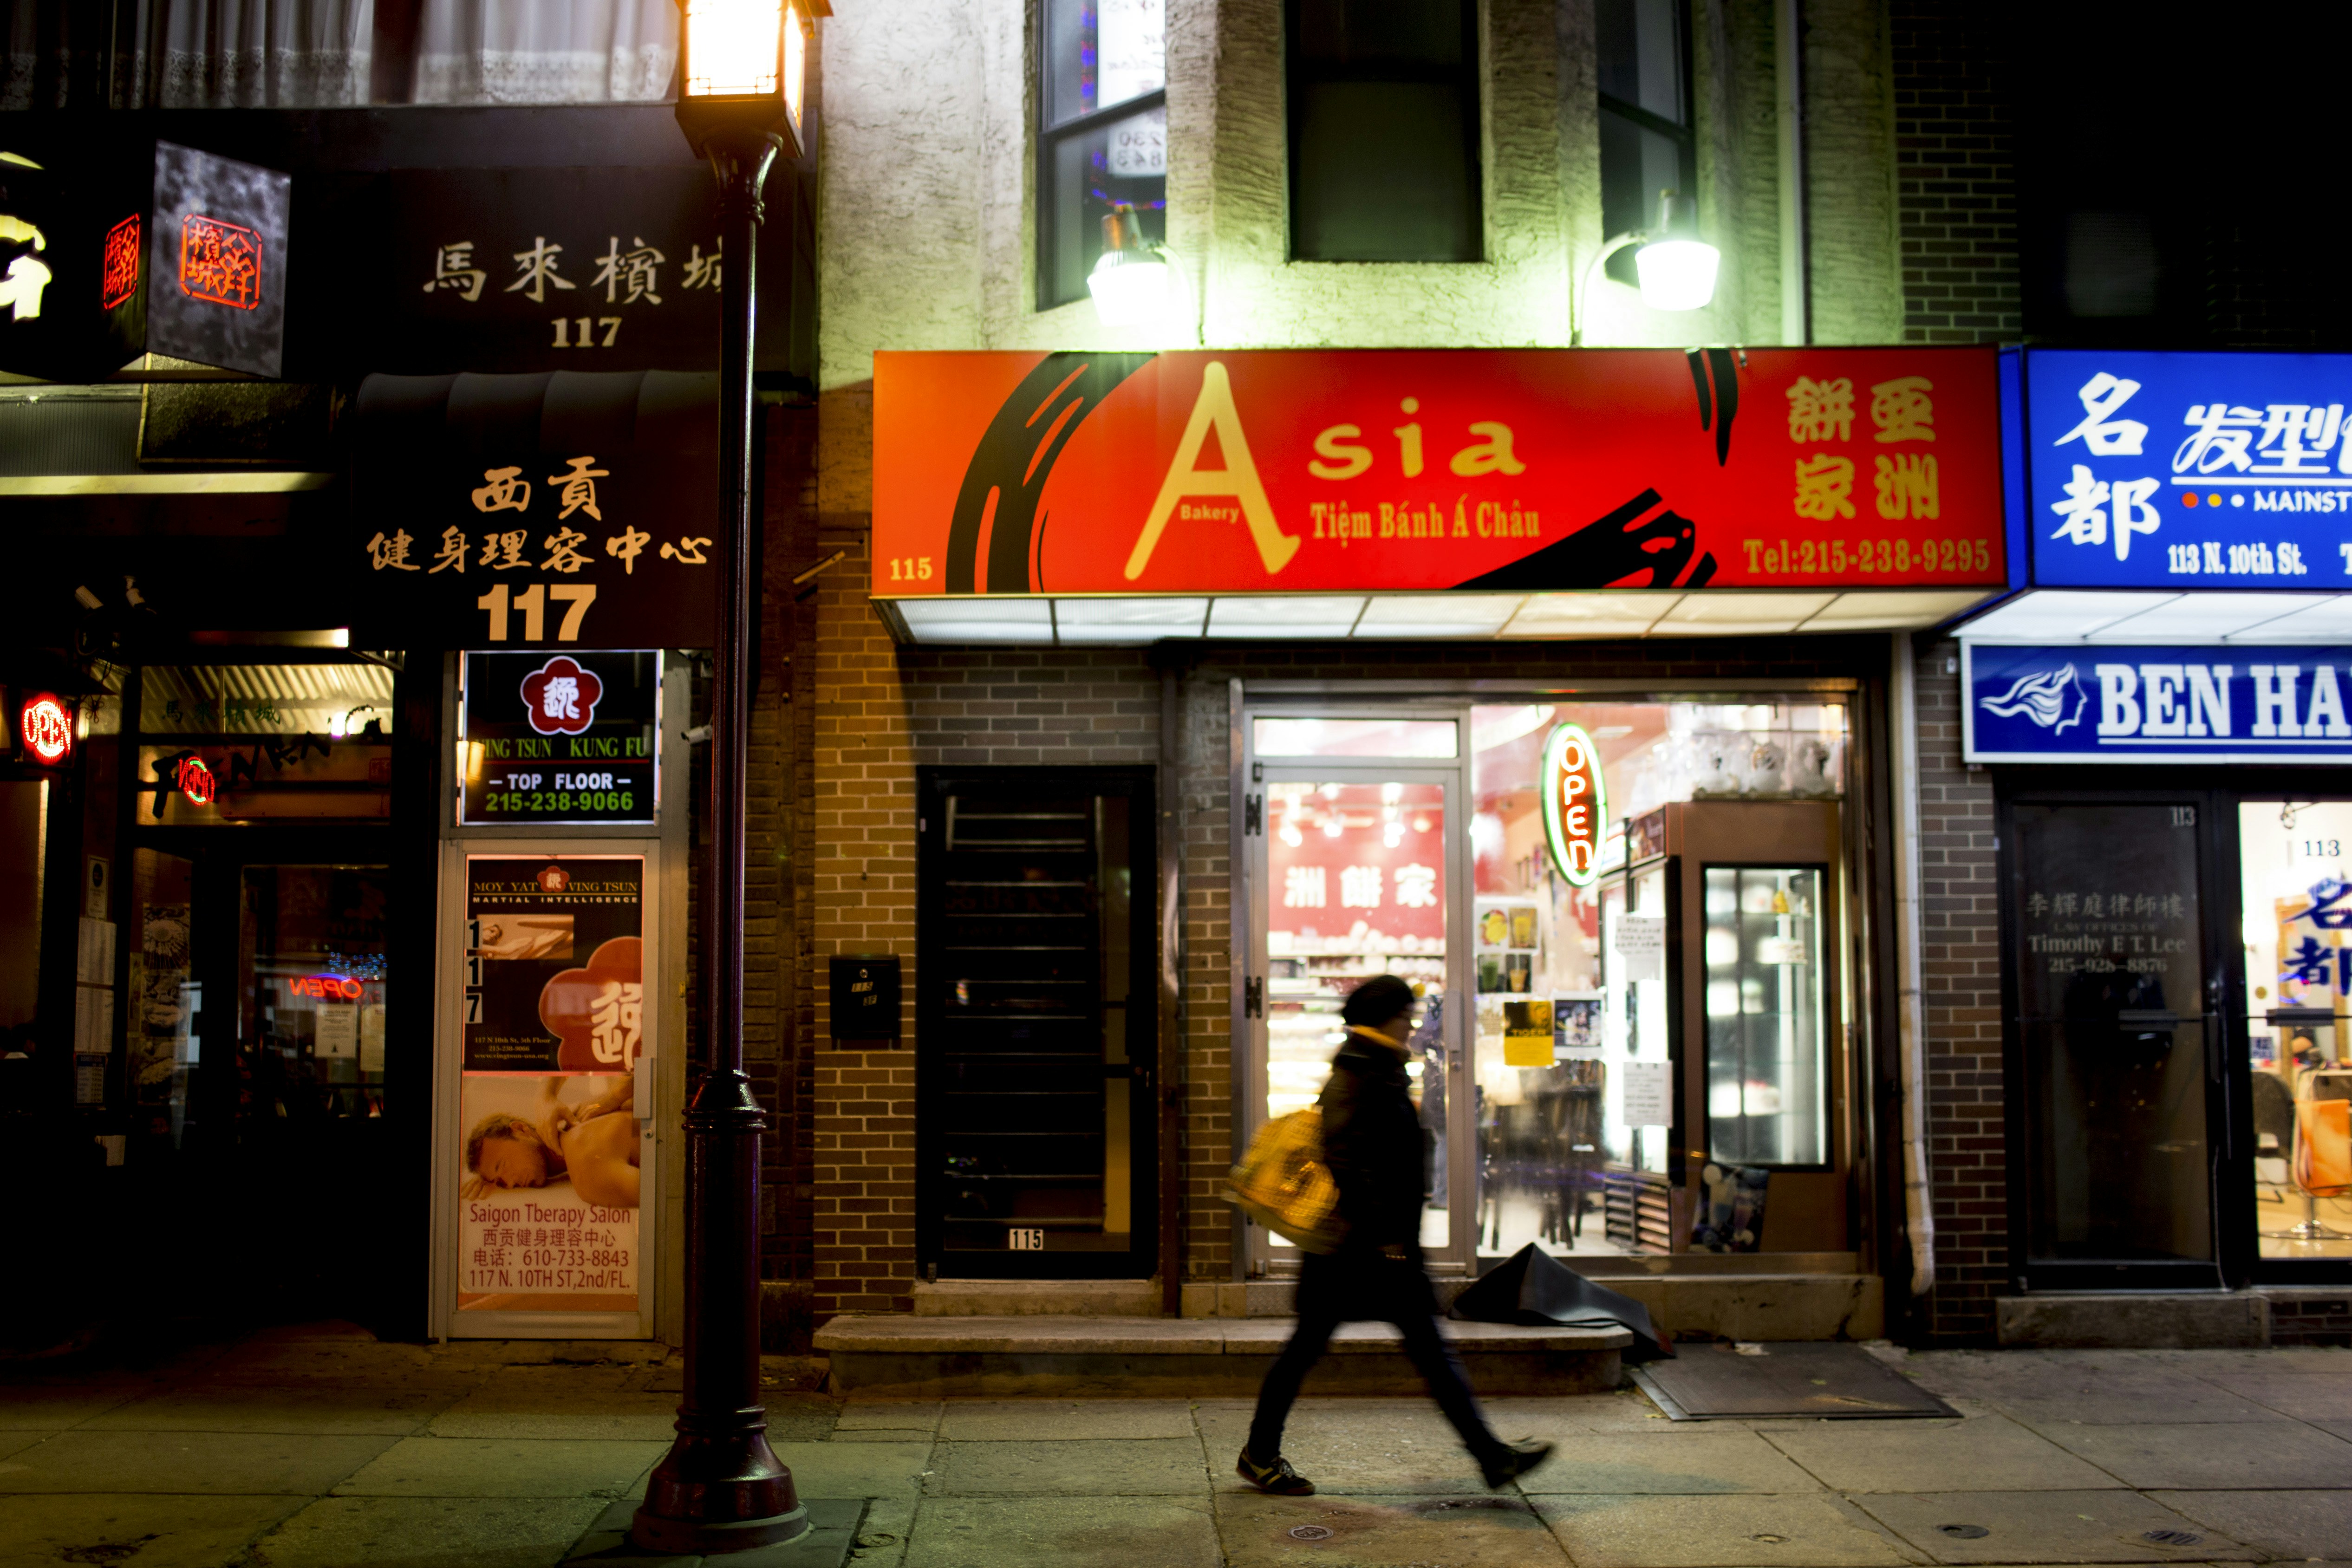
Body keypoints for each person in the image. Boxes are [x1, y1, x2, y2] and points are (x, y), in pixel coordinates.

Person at [1237, 974, 1554, 1496]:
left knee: (1415, 1348)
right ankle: (1260, 1453)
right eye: (1406, 1014)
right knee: (1327, 1349)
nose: (1412, 1024)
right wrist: (1387, 1233)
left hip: (1369, 1245)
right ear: (1384, 1018)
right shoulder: (1357, 1074)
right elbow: (1345, 1158)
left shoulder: (1374, 1066)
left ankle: (1490, 1455)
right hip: (1362, 1248)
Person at [462, 1074, 640, 1208]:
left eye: (502, 1166)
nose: (510, 1183)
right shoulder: (576, 1117)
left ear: (521, 1130)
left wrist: (545, 1095)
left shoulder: (585, 1171)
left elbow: (663, 1196)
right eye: (501, 1182)